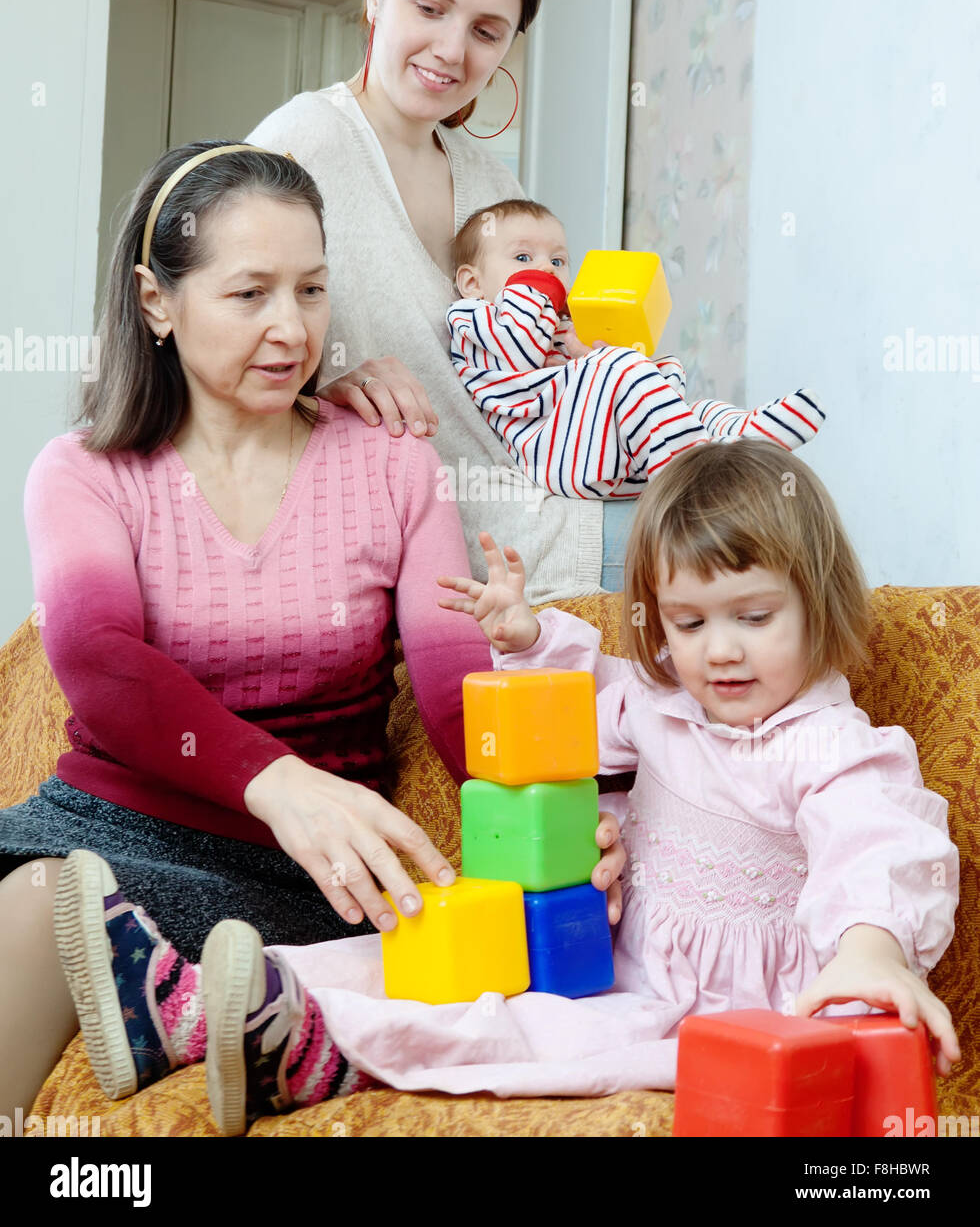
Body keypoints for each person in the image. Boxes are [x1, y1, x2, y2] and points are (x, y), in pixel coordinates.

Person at [53, 440, 960, 1134]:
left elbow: (879, 842)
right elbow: (584, 698)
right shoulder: (663, 701)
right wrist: (527, 638)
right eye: (688, 622)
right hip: (610, 958)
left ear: (820, 601)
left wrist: (873, 950)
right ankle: (185, 1001)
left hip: (719, 1013)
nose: (720, 649)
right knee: (397, 958)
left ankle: (315, 1052)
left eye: (754, 618)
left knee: (510, 1032)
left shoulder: (833, 747)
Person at [0, 139, 628, 1120]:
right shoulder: (84, 471)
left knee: (40, 905)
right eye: (249, 294)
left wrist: (563, 818)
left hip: (304, 871)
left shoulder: (389, 463)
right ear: (156, 300)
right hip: (101, 826)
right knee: (42, 887)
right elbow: (100, 662)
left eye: (310, 289)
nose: (290, 328)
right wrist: (275, 779)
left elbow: (458, 685)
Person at [244, 0, 614, 601]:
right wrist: (318, 391)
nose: (451, 50)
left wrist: (590, 373)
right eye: (431, 8)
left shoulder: (487, 179)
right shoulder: (299, 144)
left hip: (551, 495)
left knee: (754, 493)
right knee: (748, 535)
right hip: (448, 536)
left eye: (486, 31)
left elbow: (520, 375)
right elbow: (207, 350)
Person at [447, 198, 825, 497]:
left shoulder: (560, 325)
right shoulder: (474, 320)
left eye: (558, 260)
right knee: (618, 365)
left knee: (686, 403)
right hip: (553, 455)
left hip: (607, 455)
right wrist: (535, 298)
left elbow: (590, 384)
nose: (546, 269)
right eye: (524, 258)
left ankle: (739, 443)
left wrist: (587, 351)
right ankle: (696, 478)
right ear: (472, 282)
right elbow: (517, 351)